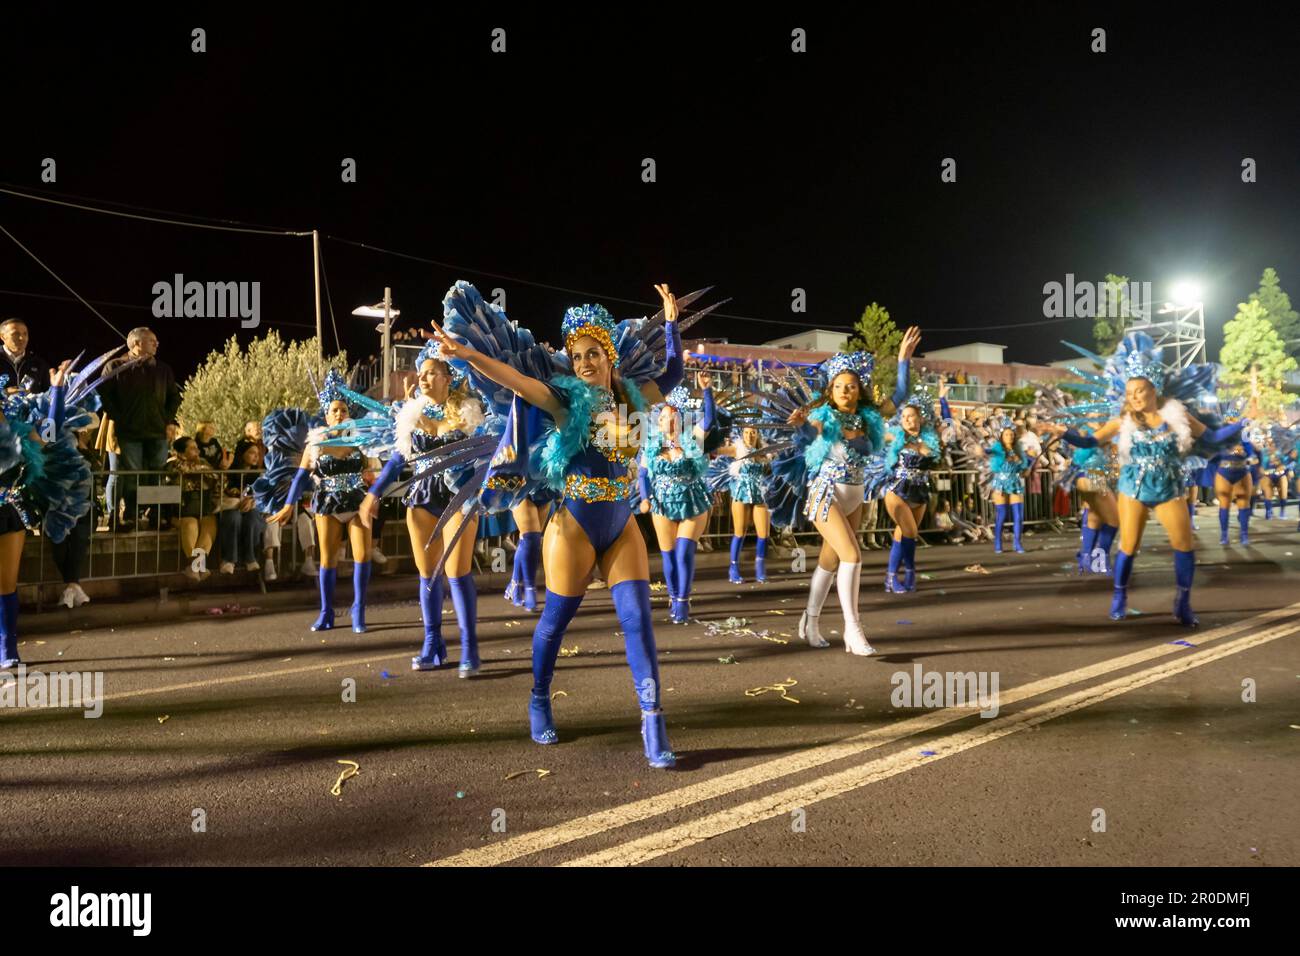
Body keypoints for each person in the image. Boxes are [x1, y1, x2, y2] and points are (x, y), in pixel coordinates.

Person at [429, 281, 685, 768]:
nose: (584, 363)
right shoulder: (563, 400)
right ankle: (540, 696)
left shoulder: (635, 399)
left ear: (609, 355)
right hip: (573, 527)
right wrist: (466, 354)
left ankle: (653, 720)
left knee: (638, 621)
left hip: (622, 521)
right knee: (554, 622)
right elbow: (514, 381)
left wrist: (670, 323)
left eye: (593, 354)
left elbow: (674, 370)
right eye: (577, 355)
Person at [1039, 332, 1243, 626]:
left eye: (1139, 391)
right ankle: (1119, 595)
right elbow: (1090, 442)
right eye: (1129, 392)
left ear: (1154, 389)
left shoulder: (1177, 414)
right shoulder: (1121, 420)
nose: (1133, 397)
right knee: (1129, 545)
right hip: (1133, 488)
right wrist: (1064, 433)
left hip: (1169, 487)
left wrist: (1238, 426)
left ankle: (1183, 602)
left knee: (1184, 546)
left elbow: (1210, 436)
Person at [778, 328, 920, 653]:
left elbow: (899, 396)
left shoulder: (869, 418)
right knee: (853, 556)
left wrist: (902, 361)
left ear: (859, 390)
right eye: (839, 386)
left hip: (855, 494)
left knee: (830, 561)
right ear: (831, 390)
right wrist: (801, 424)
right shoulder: (821, 417)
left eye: (851, 385)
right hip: (826, 492)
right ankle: (853, 630)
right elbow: (808, 438)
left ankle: (809, 620)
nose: (845, 390)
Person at [360, 339, 488, 673]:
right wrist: (374, 493)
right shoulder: (410, 413)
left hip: (459, 494)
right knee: (428, 575)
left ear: (448, 377)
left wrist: (434, 427)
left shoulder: (468, 411)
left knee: (457, 573)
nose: (424, 379)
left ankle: (470, 648)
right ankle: (433, 644)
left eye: (432, 373)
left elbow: (476, 449)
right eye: (422, 374)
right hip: (422, 495)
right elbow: (398, 459)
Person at [267, 371, 377, 632]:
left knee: (362, 556)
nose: (339, 414)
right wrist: (287, 505)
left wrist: (375, 490)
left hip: (356, 501)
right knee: (327, 559)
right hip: (327, 503)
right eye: (334, 410)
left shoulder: (361, 441)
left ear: (348, 413)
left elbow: (376, 472)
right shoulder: (315, 445)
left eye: (343, 410)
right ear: (326, 416)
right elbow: (299, 479)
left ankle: (358, 610)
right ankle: (326, 612)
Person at [639, 374, 716, 623]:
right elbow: (642, 474)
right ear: (658, 421)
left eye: (672, 415)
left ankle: (683, 599)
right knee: (669, 555)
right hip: (661, 502)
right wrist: (644, 497)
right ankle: (673, 595)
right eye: (662, 416)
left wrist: (706, 391)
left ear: (679, 418)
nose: (667, 419)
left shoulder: (691, 440)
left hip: (692, 501)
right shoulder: (650, 446)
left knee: (684, 552)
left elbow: (710, 420)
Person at [96, 328, 182, 530]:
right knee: (131, 475)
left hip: (157, 432)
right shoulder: (115, 366)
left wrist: (166, 419)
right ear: (137, 343)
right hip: (129, 432)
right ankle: (129, 516)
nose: (157, 343)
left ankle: (155, 515)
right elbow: (103, 396)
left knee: (156, 475)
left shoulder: (163, 369)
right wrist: (121, 418)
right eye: (152, 340)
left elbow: (174, 397)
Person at [709, 424, 774, 583]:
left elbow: (774, 469)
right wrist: (711, 439)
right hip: (740, 493)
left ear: (757, 434)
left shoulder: (765, 451)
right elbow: (715, 450)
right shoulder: (737, 449)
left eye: (753, 432)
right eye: (746, 432)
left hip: (759, 493)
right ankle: (733, 568)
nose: (749, 436)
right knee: (740, 532)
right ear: (742, 434)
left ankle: (760, 567)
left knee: (764, 533)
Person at [167, 436, 220, 581]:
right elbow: (184, 470)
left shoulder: (203, 463)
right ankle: (196, 566)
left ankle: (195, 567)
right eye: (192, 448)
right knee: (191, 524)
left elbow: (215, 476)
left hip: (202, 509)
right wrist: (201, 470)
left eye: (197, 447)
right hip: (180, 512)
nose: (197, 450)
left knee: (209, 524)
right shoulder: (173, 464)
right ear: (181, 453)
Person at [0, 318, 53, 393]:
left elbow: (48, 394)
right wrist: (4, 393)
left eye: (25, 334)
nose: (22, 338)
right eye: (15, 334)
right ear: (3, 336)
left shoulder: (38, 363)